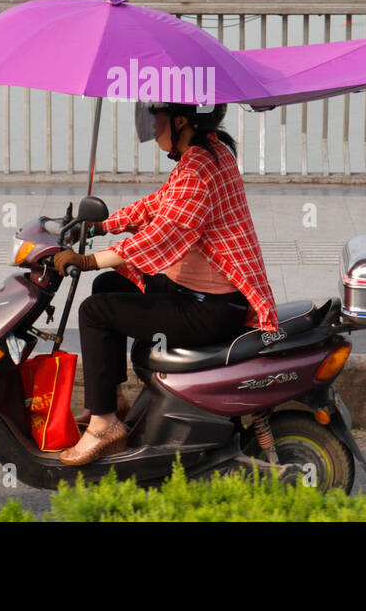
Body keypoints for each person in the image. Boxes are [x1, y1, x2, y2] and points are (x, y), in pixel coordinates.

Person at [51, 101, 279, 465]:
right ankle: (113, 401)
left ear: (182, 120)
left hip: (209, 309)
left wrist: (89, 259)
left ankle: (103, 424)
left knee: (95, 312)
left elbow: (160, 235)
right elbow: (158, 205)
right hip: (201, 294)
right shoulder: (206, 152)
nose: (152, 126)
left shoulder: (199, 170)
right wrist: (99, 227)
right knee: (108, 287)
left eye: (157, 117)